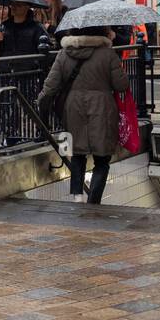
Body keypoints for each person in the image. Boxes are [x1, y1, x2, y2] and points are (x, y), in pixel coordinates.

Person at [36, 26, 128, 205]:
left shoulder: (64, 53)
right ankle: (94, 201)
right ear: (101, 31)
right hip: (102, 108)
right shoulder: (107, 54)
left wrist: (41, 102)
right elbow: (121, 85)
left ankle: (76, 198)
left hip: (73, 107)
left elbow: (51, 85)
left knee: (77, 154)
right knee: (102, 158)